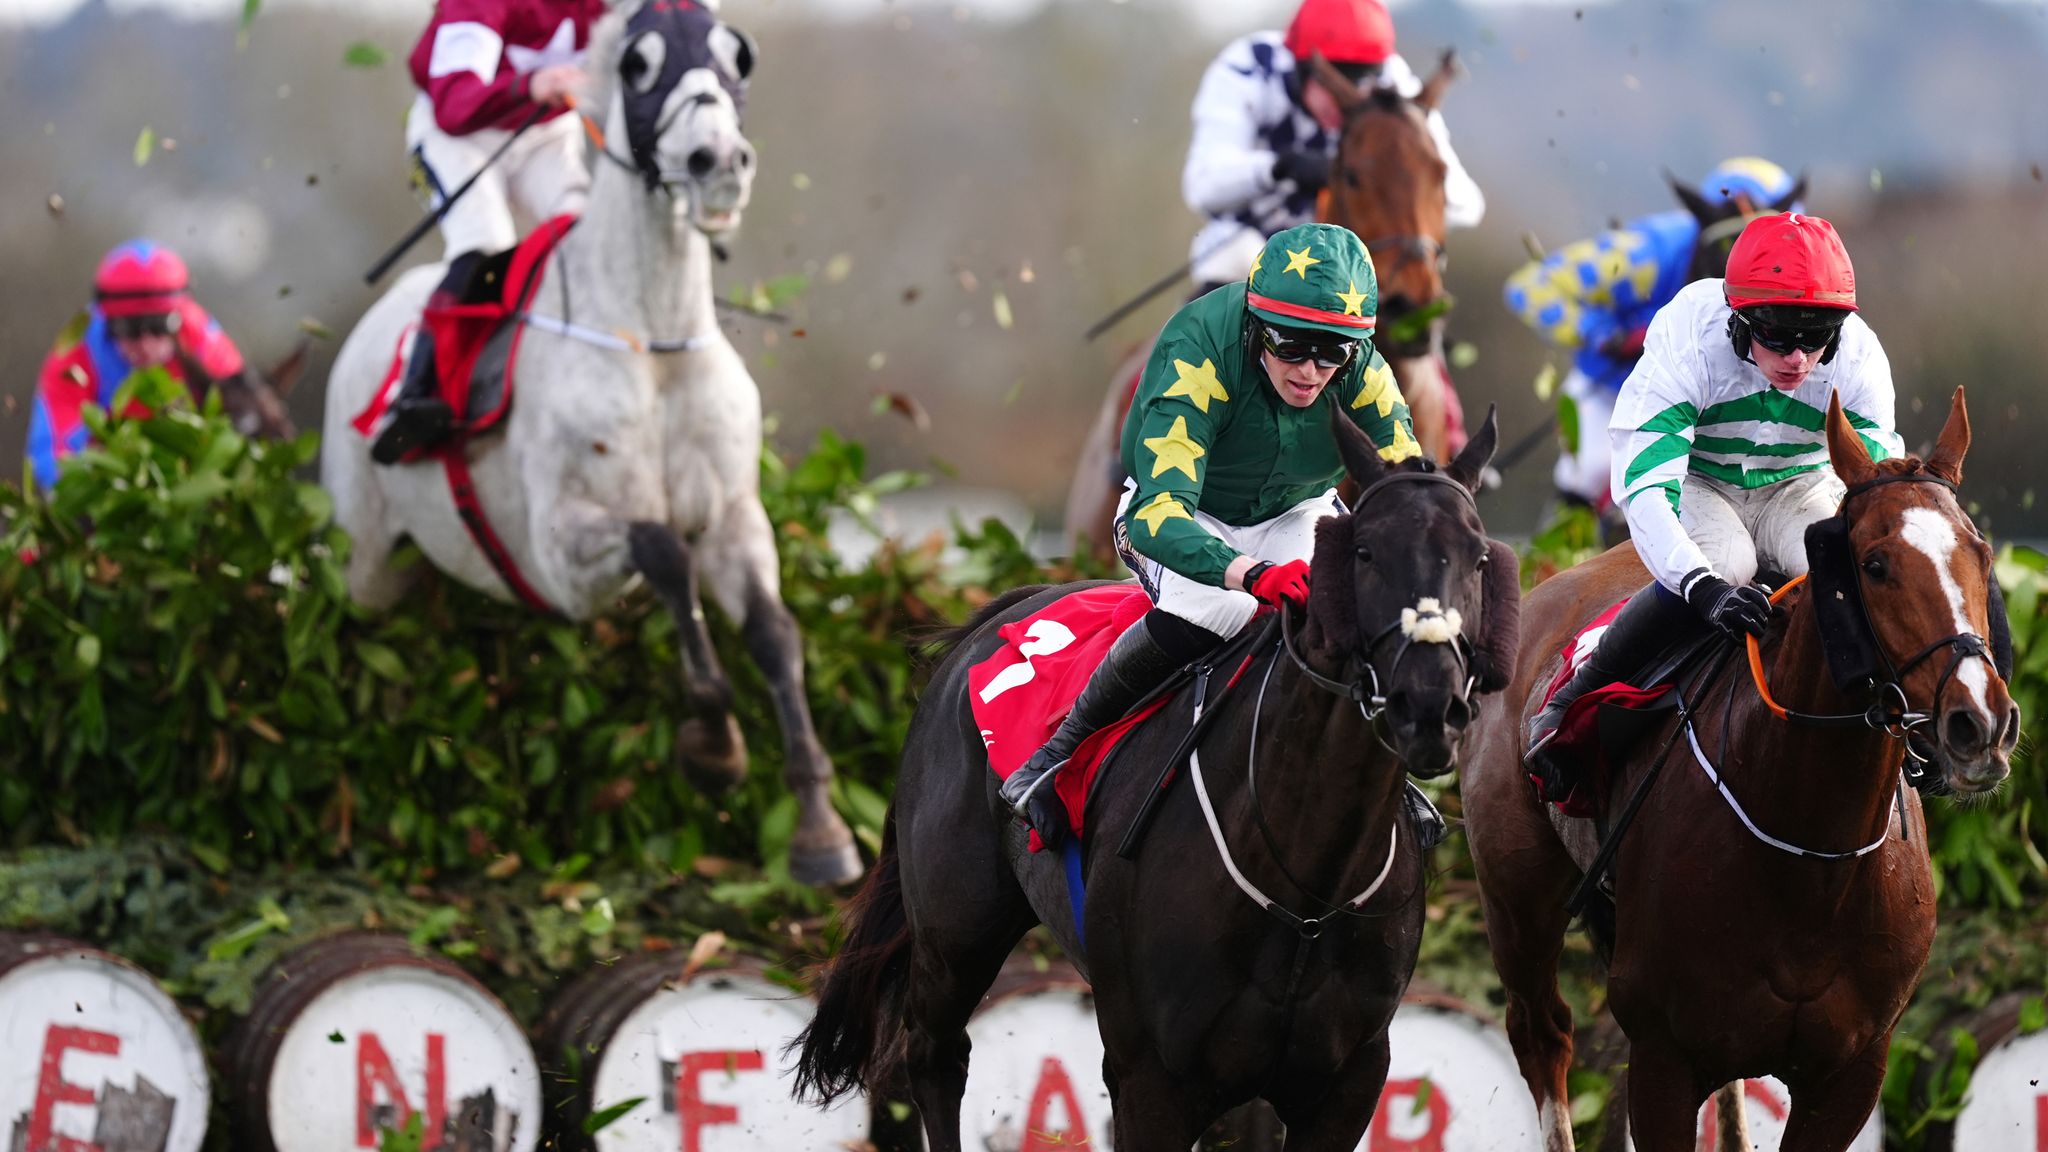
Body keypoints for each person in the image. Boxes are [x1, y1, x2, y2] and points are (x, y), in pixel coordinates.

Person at [1002, 222, 1442, 849]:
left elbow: (1404, 486)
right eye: (1291, 345)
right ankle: (1055, 755)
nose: (1310, 370)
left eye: (1332, 353)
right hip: (1184, 511)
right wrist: (1252, 574)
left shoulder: (1362, 369)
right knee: (1223, 609)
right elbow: (1159, 513)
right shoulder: (1199, 350)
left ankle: (1391, 775)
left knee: (1354, 605)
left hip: (1295, 509)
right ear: (1258, 324)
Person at [1524, 212, 1903, 799]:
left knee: (1838, 571)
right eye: (1777, 334)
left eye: (1817, 337)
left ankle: (1906, 726)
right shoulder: (1688, 337)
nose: (1798, 358)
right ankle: (1576, 691)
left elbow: (1879, 494)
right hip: (1702, 482)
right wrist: (1702, 588)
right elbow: (1647, 489)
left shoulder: (1858, 355)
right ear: (1738, 318)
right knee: (1727, 565)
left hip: (1796, 484)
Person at [1503, 157, 1804, 523]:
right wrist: (1604, 336)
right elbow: (1531, 287)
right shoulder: (1648, 251)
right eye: (1730, 244)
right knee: (1592, 472)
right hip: (1616, 392)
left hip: (1721, 401)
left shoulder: (1807, 265)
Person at [372, 0, 605, 464]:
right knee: (486, 244)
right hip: (456, 137)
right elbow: (454, 106)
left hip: (546, 133)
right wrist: (530, 84)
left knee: (590, 240)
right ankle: (412, 394)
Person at [1181, 0, 1484, 297]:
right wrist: (1279, 168)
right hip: (1250, 250)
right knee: (1235, 256)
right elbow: (1202, 187)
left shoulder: (1395, 84)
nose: (1346, 97)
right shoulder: (1249, 68)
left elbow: (1466, 206)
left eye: (1362, 80)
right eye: (1333, 81)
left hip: (1349, 263)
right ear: (1300, 69)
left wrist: (1398, 179)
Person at [27, 241, 246, 490]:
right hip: (108, 483)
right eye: (130, 329)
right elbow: (51, 452)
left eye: (159, 326)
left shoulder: (204, 340)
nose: (146, 345)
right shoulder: (75, 352)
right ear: (106, 320)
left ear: (179, 315)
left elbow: (244, 423)